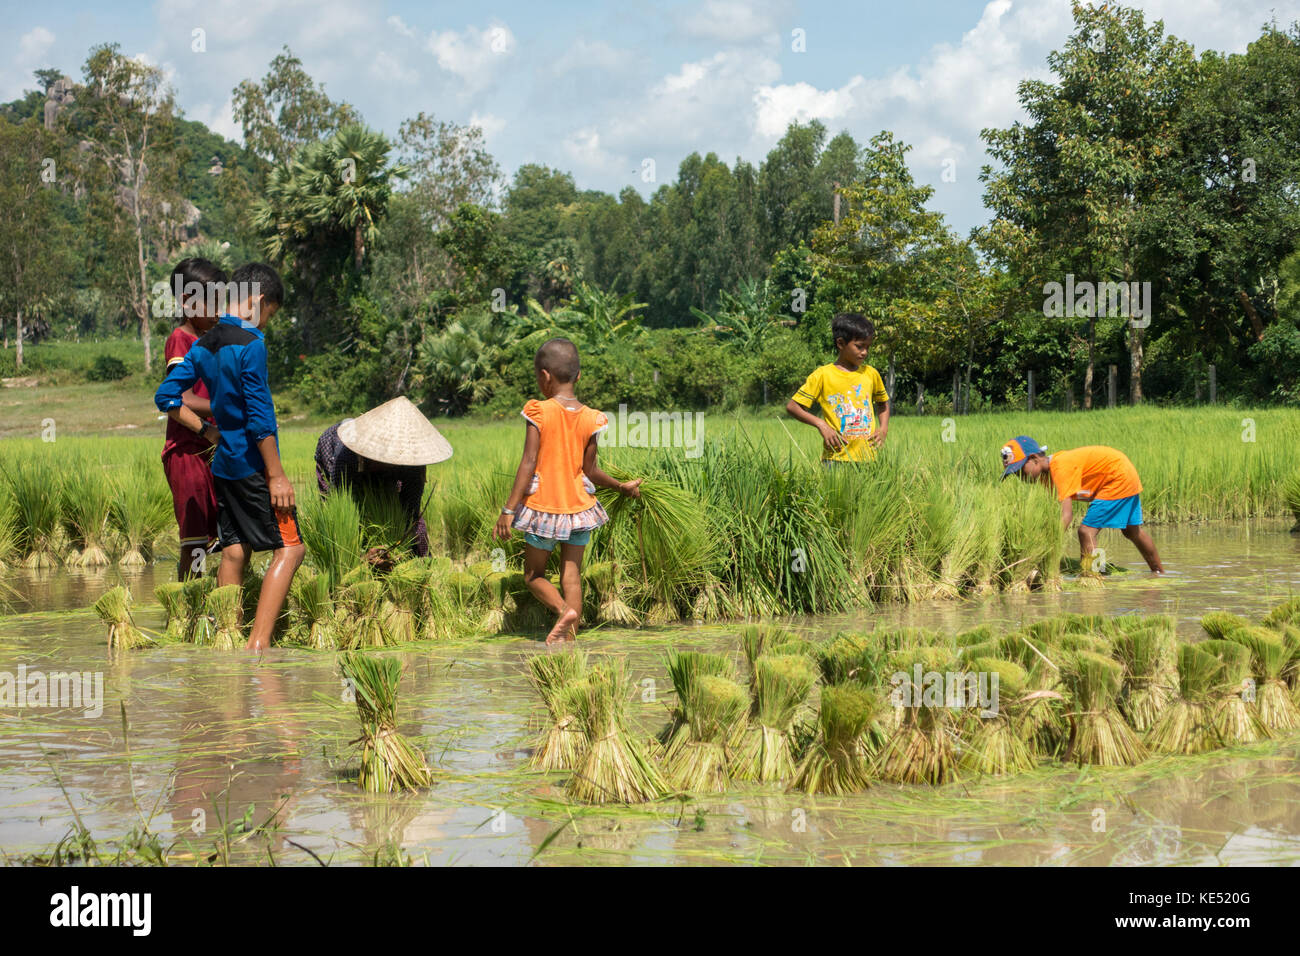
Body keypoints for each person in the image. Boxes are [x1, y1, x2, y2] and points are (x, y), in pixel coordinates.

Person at [154, 263, 305, 651]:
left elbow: (167, 398)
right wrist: (276, 475)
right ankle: (258, 645)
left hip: (221, 464)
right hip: (253, 466)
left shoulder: (203, 346)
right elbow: (260, 418)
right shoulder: (251, 343)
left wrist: (209, 432)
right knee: (292, 548)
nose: (266, 324)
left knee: (235, 549)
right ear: (257, 302)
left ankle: (227, 635)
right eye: (269, 315)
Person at [494, 337, 642, 644]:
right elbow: (590, 471)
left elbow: (529, 461)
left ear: (545, 376)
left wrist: (508, 509)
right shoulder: (592, 418)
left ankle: (564, 613)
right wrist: (620, 486)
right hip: (580, 510)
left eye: (538, 377)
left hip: (544, 508)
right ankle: (569, 640)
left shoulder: (539, 411)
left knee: (534, 575)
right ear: (578, 376)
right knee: (571, 575)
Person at [1000, 436, 1165, 574]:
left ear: (1034, 459)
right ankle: (1159, 573)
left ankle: (1093, 577)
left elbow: (1066, 516)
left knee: (1086, 532)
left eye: (1020, 470)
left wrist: (1044, 548)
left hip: (1117, 476)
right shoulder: (1045, 478)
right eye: (1014, 473)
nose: (1019, 476)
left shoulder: (1060, 467)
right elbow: (1054, 515)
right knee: (1131, 530)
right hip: (1123, 472)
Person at [315, 396, 453, 558]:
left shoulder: (413, 462)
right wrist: (361, 556)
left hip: (382, 470)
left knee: (399, 513)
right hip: (339, 455)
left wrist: (422, 563)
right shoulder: (347, 455)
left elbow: (411, 514)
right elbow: (341, 508)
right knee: (339, 512)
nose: (390, 460)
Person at [161, 257, 225, 580]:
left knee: (218, 537)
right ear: (188, 301)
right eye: (212, 301)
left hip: (208, 453)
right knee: (195, 542)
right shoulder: (180, 340)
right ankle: (191, 605)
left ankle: (207, 601)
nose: (218, 309)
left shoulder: (208, 342)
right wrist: (209, 428)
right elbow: (177, 399)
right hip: (187, 451)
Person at [785, 312, 891, 464]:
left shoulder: (871, 374)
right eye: (859, 347)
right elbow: (793, 406)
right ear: (840, 343)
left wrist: (883, 429)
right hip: (835, 460)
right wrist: (821, 425)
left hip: (869, 459)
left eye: (868, 347)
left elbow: (883, 404)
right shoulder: (823, 375)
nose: (865, 352)